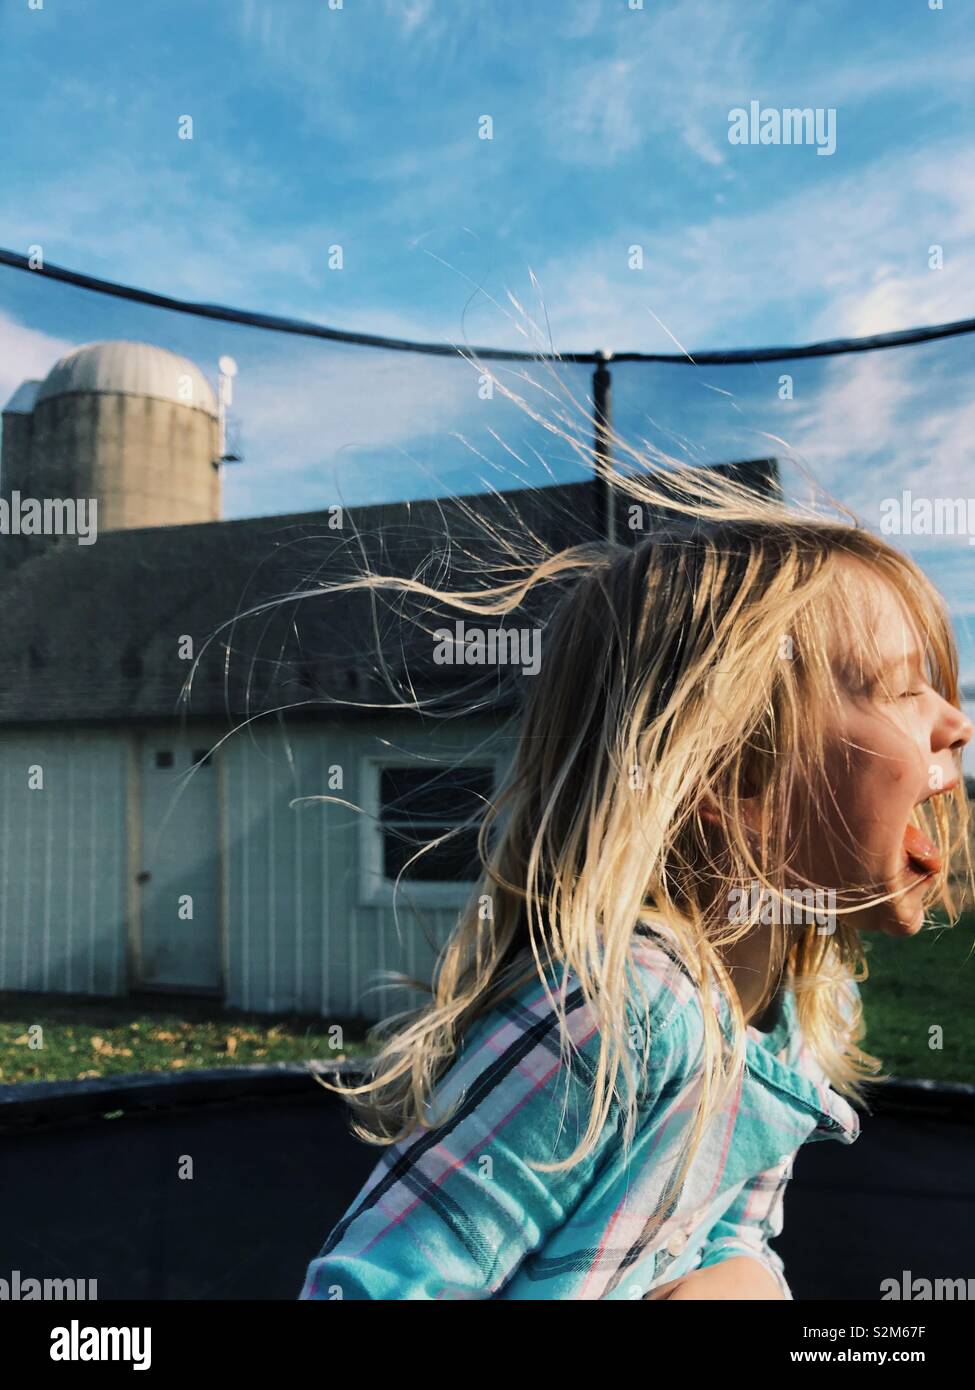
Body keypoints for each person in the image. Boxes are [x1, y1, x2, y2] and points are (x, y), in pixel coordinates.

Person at [295, 427, 972, 1300]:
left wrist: (743, 1279)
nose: (955, 722)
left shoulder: (800, 1006)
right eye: (900, 687)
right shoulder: (620, 1017)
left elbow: (729, 1234)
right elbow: (367, 1288)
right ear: (735, 770)